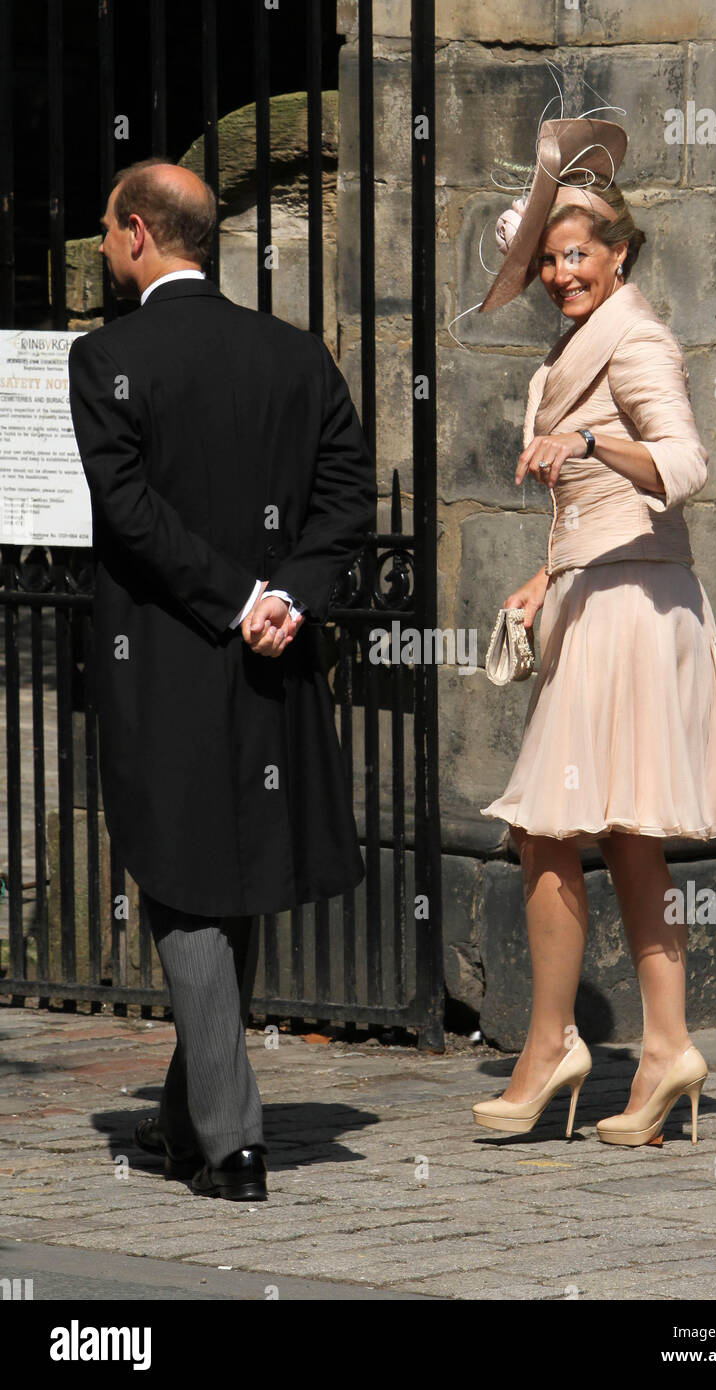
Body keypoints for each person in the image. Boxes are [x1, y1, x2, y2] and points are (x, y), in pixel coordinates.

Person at [68, 158, 376, 1199]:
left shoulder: (109, 356)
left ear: (141, 236)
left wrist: (241, 596)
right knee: (223, 871)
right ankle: (185, 1116)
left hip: (171, 656)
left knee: (182, 885)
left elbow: (130, 513)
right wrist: (289, 593)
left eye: (108, 230)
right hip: (272, 654)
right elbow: (347, 497)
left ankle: (233, 1141)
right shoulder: (293, 355)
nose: (104, 246)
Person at [470, 116, 716, 1146]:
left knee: (548, 826)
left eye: (578, 253)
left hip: (632, 612)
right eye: (550, 258)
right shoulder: (579, 339)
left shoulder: (636, 336)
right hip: (602, 594)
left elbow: (684, 467)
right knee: (628, 834)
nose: (561, 273)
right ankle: (666, 1047)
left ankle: (553, 1047)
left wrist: (593, 434)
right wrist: (542, 573)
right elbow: (597, 502)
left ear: (619, 251)